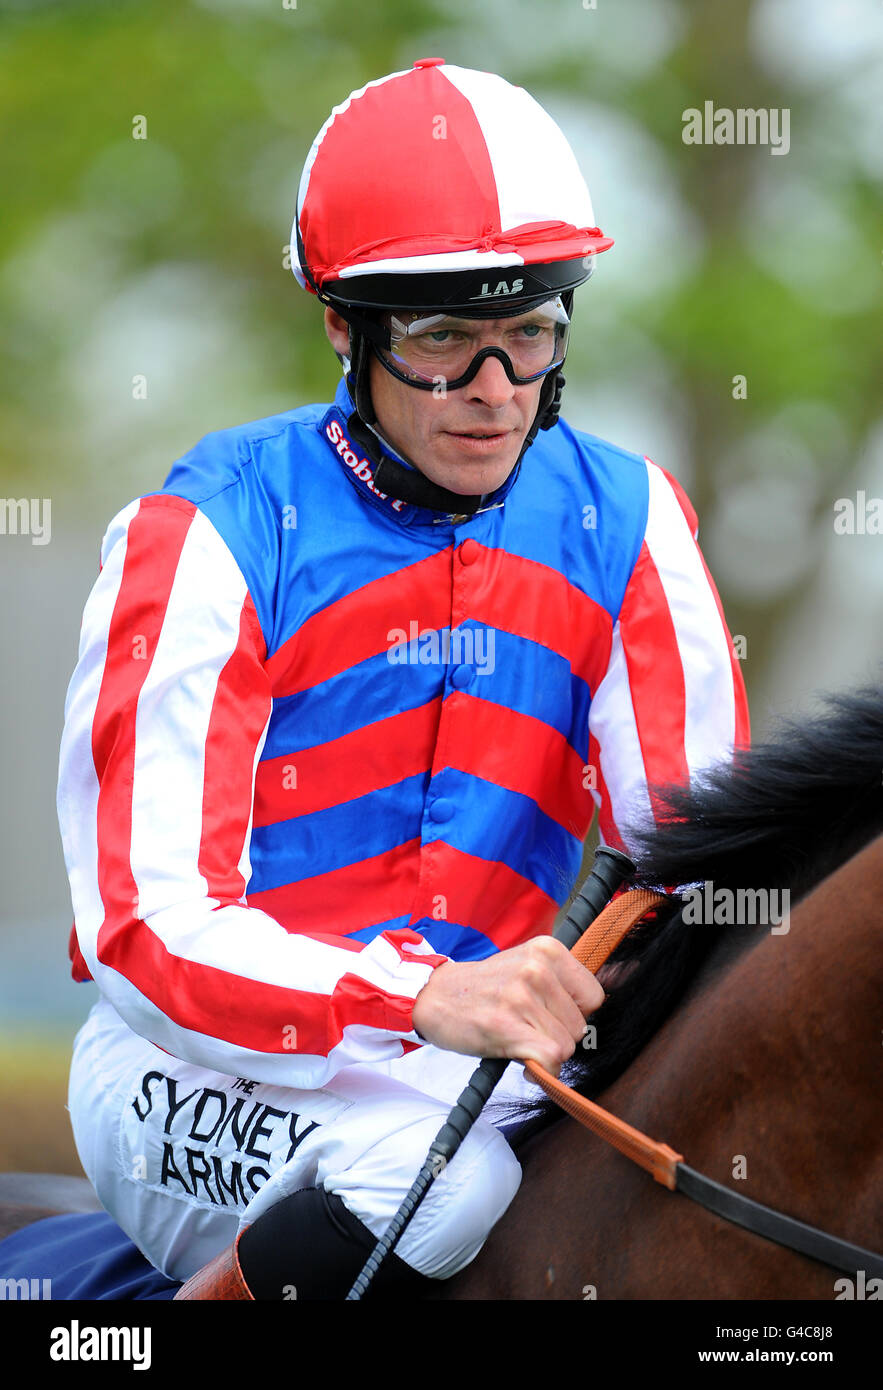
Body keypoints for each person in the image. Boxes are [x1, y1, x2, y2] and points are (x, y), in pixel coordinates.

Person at [57, 58, 749, 1299]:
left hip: (475, 1054)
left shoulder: (629, 522)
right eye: (443, 341)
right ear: (344, 325)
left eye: (529, 334)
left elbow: (696, 857)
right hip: (193, 1060)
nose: (493, 394)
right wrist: (420, 996)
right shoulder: (211, 529)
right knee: (443, 1184)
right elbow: (144, 930)